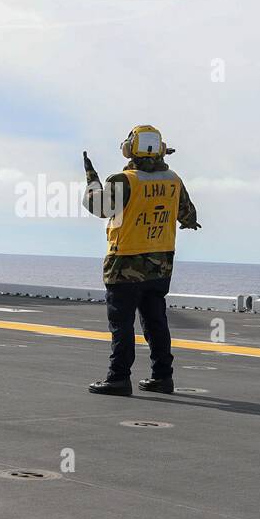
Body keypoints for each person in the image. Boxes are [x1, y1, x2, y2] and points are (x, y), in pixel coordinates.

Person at [82, 125, 199, 396]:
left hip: (125, 264)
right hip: (161, 265)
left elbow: (98, 207)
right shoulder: (173, 180)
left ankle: (119, 378)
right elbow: (189, 216)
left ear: (129, 149)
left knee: (121, 324)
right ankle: (162, 377)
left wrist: (91, 179)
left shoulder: (124, 180)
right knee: (156, 321)